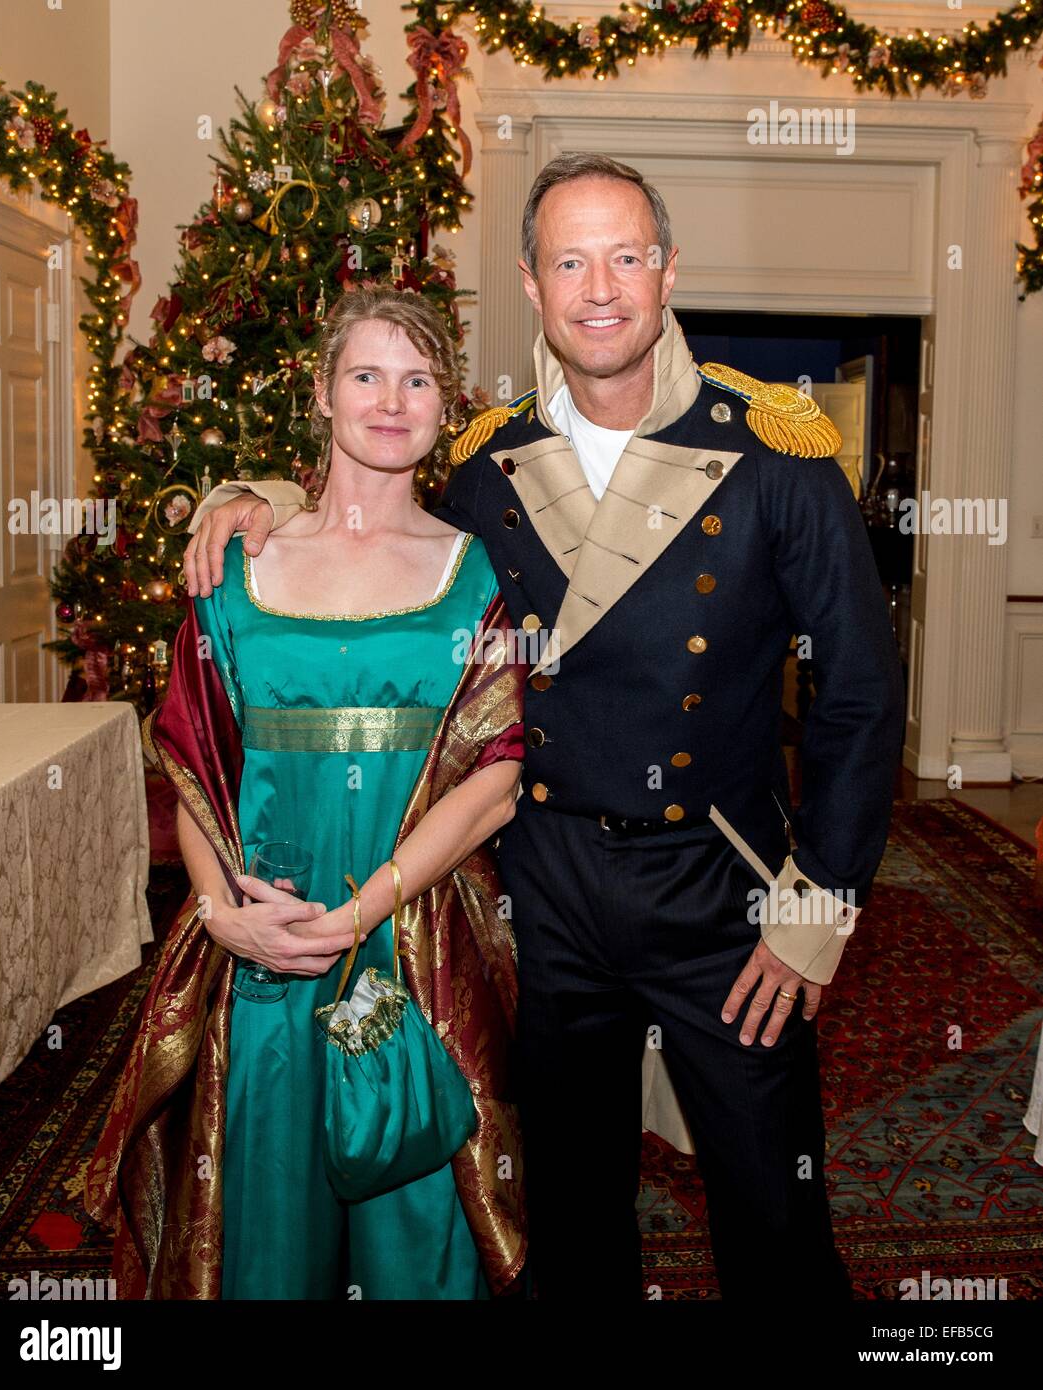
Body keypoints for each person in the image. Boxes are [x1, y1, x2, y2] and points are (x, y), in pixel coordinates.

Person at [182, 153, 906, 1301]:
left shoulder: (776, 452)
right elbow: (370, 510)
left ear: (667, 271)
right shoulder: (485, 463)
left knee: (773, 1212)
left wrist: (814, 907)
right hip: (542, 887)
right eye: (570, 259)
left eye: (625, 255)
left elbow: (858, 697)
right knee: (567, 1218)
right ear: (530, 282)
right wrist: (258, 498)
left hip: (723, 888)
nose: (599, 285)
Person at [85, 287, 528, 1300]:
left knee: (413, 1225)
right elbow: (192, 760)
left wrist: (364, 911)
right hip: (264, 949)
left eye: (416, 379)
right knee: (267, 1224)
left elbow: (497, 777)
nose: (388, 399)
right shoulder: (237, 567)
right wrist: (220, 914)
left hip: (413, 941)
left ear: (443, 404)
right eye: (364, 374)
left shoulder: (475, 575)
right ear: (321, 395)